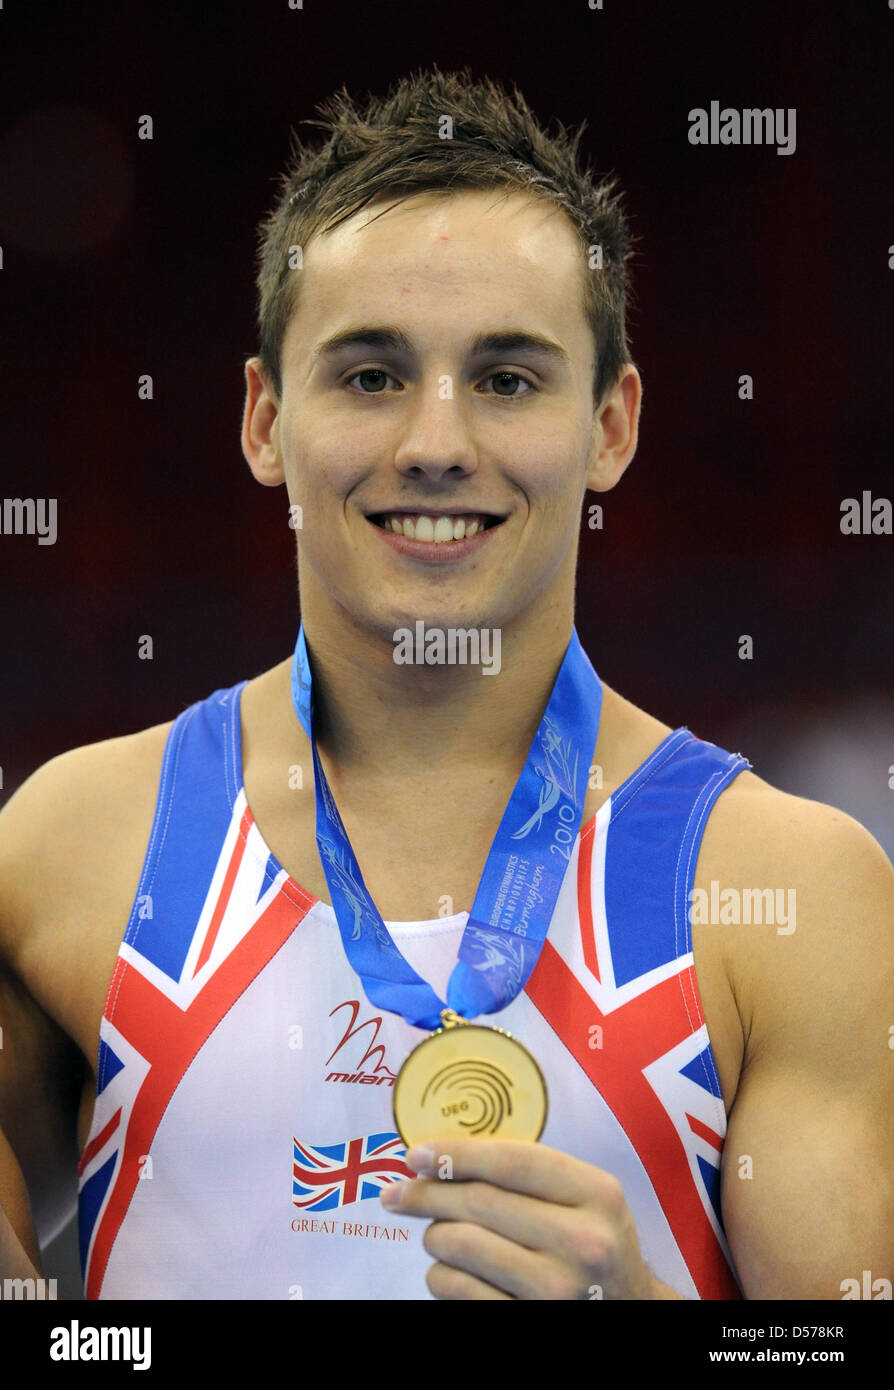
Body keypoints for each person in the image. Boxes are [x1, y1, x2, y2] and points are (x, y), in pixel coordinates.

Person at [1, 67, 891, 1302]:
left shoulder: (792, 893)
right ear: (264, 422)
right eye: (370, 374)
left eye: (508, 378)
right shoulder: (69, 842)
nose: (435, 444)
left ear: (612, 426)